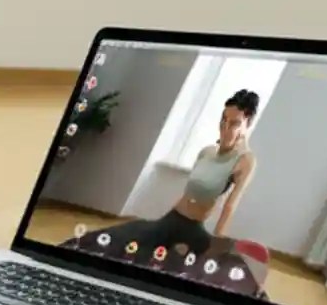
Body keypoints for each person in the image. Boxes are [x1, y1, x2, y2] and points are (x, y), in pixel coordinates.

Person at [62, 89, 261, 260]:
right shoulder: (206, 152)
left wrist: (216, 245)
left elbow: (229, 207)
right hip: (170, 220)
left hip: (194, 231)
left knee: (226, 271)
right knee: (120, 237)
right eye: (223, 120)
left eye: (234, 124)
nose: (225, 129)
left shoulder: (245, 160)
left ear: (247, 124)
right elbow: (188, 195)